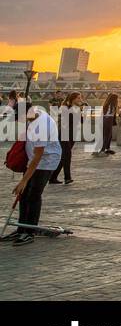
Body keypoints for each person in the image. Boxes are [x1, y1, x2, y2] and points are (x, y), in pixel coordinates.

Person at [6, 102, 63, 246]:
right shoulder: (35, 112)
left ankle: (29, 232)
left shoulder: (41, 127)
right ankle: (21, 229)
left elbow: (38, 157)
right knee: (23, 195)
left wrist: (23, 181)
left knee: (33, 194)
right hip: (33, 160)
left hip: (46, 162)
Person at [50, 92, 82, 185]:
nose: (80, 100)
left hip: (72, 135)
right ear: (73, 99)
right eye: (78, 98)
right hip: (64, 134)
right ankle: (67, 177)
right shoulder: (65, 108)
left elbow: (81, 121)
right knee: (67, 155)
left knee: (63, 157)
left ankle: (52, 177)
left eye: (80, 98)